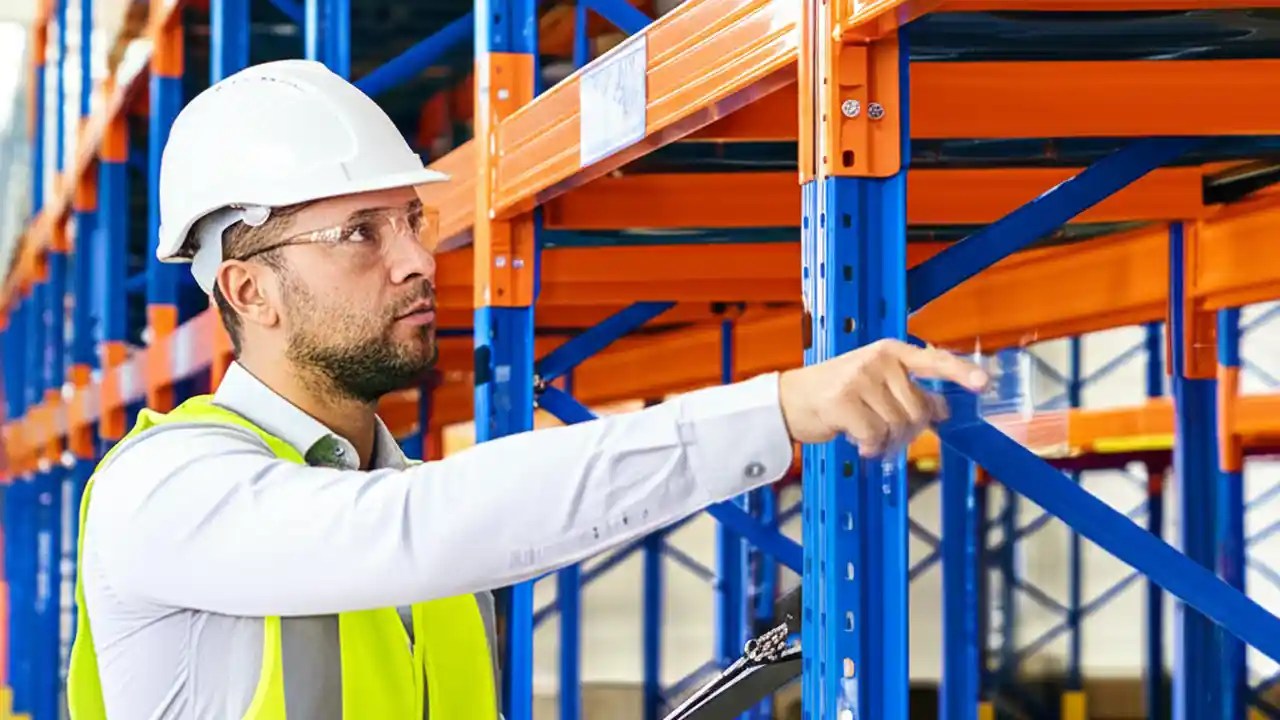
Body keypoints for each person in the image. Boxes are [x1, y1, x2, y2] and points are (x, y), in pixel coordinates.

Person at [65, 59, 987, 719]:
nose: (418, 260)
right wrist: (776, 409)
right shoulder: (164, 489)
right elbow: (417, 527)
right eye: (360, 233)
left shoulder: (399, 498)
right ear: (247, 290)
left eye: (413, 221)